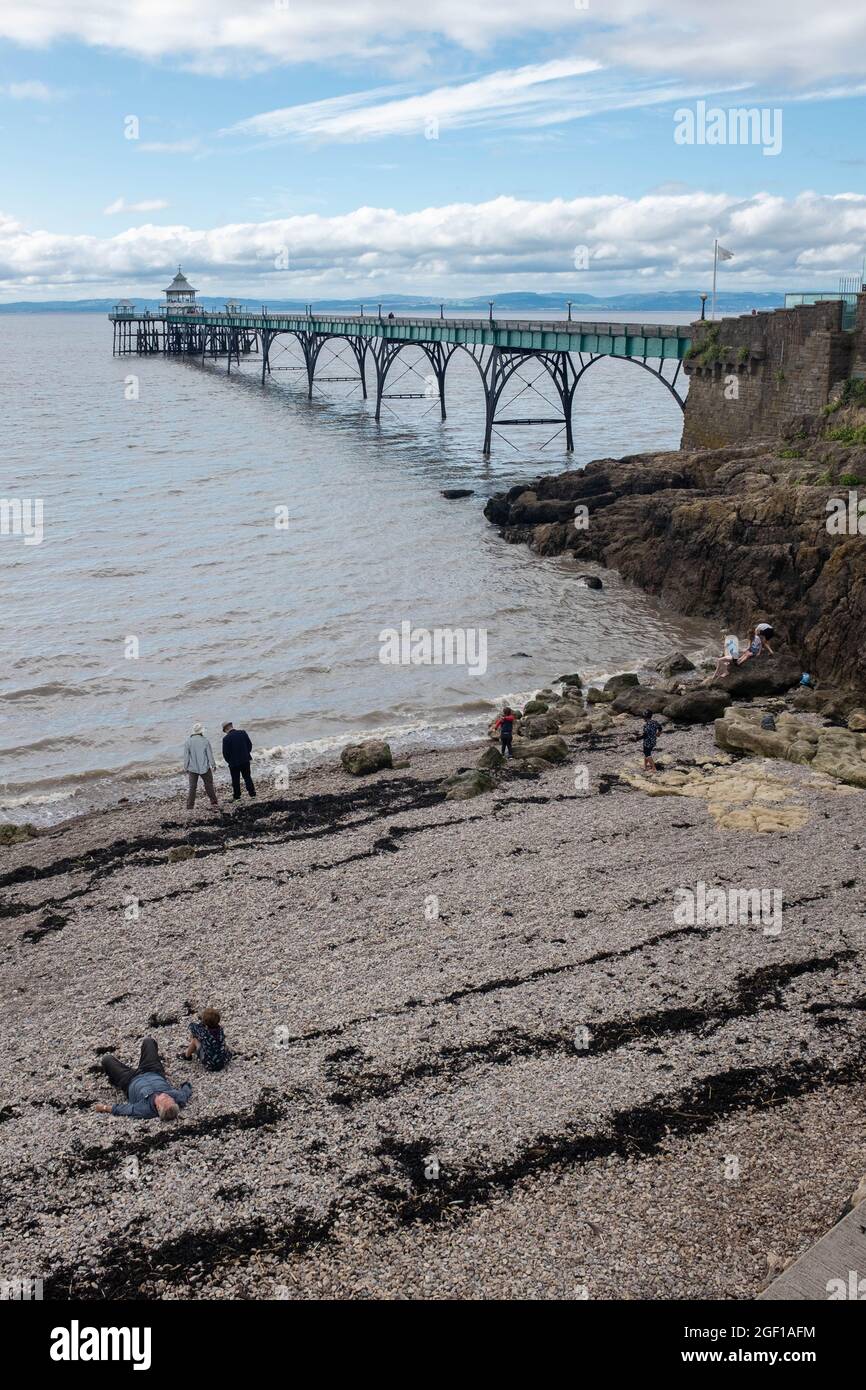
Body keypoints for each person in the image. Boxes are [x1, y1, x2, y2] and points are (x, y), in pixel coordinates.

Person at [93, 1037, 192, 1121]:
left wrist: (104, 1108)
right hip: (153, 1070)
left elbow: (124, 1109)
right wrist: (186, 1083)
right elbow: (186, 1091)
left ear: (158, 1107)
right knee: (149, 1041)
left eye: (165, 1099)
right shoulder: (177, 1098)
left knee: (106, 1059)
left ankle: (115, 1080)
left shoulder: (145, 1110)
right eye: (171, 1099)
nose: (168, 1096)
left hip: (129, 1080)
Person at [178, 1007, 231, 1072]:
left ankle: (187, 1056)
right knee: (221, 1043)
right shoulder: (220, 1030)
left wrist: (201, 1024)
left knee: (195, 1039)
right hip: (222, 1063)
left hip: (209, 1064)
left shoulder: (203, 1032)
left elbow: (191, 1026)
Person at [184, 722, 219, 810]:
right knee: (209, 785)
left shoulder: (188, 741)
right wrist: (213, 765)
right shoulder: (205, 741)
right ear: (201, 731)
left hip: (192, 768)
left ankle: (190, 806)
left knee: (192, 787)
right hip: (205, 768)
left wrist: (185, 767)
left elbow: (186, 756)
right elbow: (209, 755)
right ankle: (214, 802)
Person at [221, 722, 256, 801]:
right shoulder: (242, 733)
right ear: (232, 726)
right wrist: (246, 754)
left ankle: (237, 796)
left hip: (234, 763)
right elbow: (249, 745)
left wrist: (229, 761)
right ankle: (252, 794)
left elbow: (225, 753)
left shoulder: (226, 739)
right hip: (245, 760)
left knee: (235, 780)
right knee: (247, 777)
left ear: (226, 729)